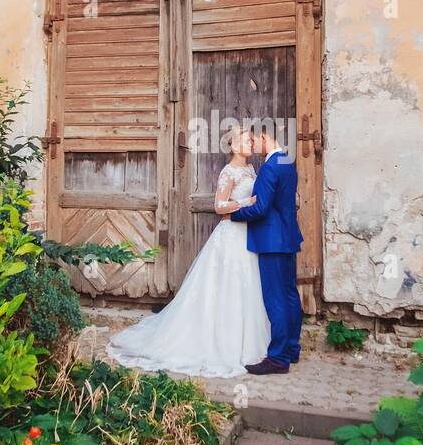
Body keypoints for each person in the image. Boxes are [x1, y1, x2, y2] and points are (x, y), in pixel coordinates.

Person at [105, 128, 270, 378]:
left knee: (245, 287)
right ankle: (216, 343)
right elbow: (218, 206)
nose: (251, 143)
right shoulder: (229, 172)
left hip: (248, 234)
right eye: (246, 140)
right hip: (230, 235)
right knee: (225, 287)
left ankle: (245, 341)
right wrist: (246, 203)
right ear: (235, 146)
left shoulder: (250, 170)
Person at [229, 126, 303, 374]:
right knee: (290, 295)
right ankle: (292, 349)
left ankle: (278, 359)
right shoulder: (287, 162)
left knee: (276, 299)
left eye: (255, 140)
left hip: (272, 241)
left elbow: (260, 208)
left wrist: (234, 215)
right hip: (288, 237)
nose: (254, 146)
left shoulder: (271, 167)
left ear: (264, 137)